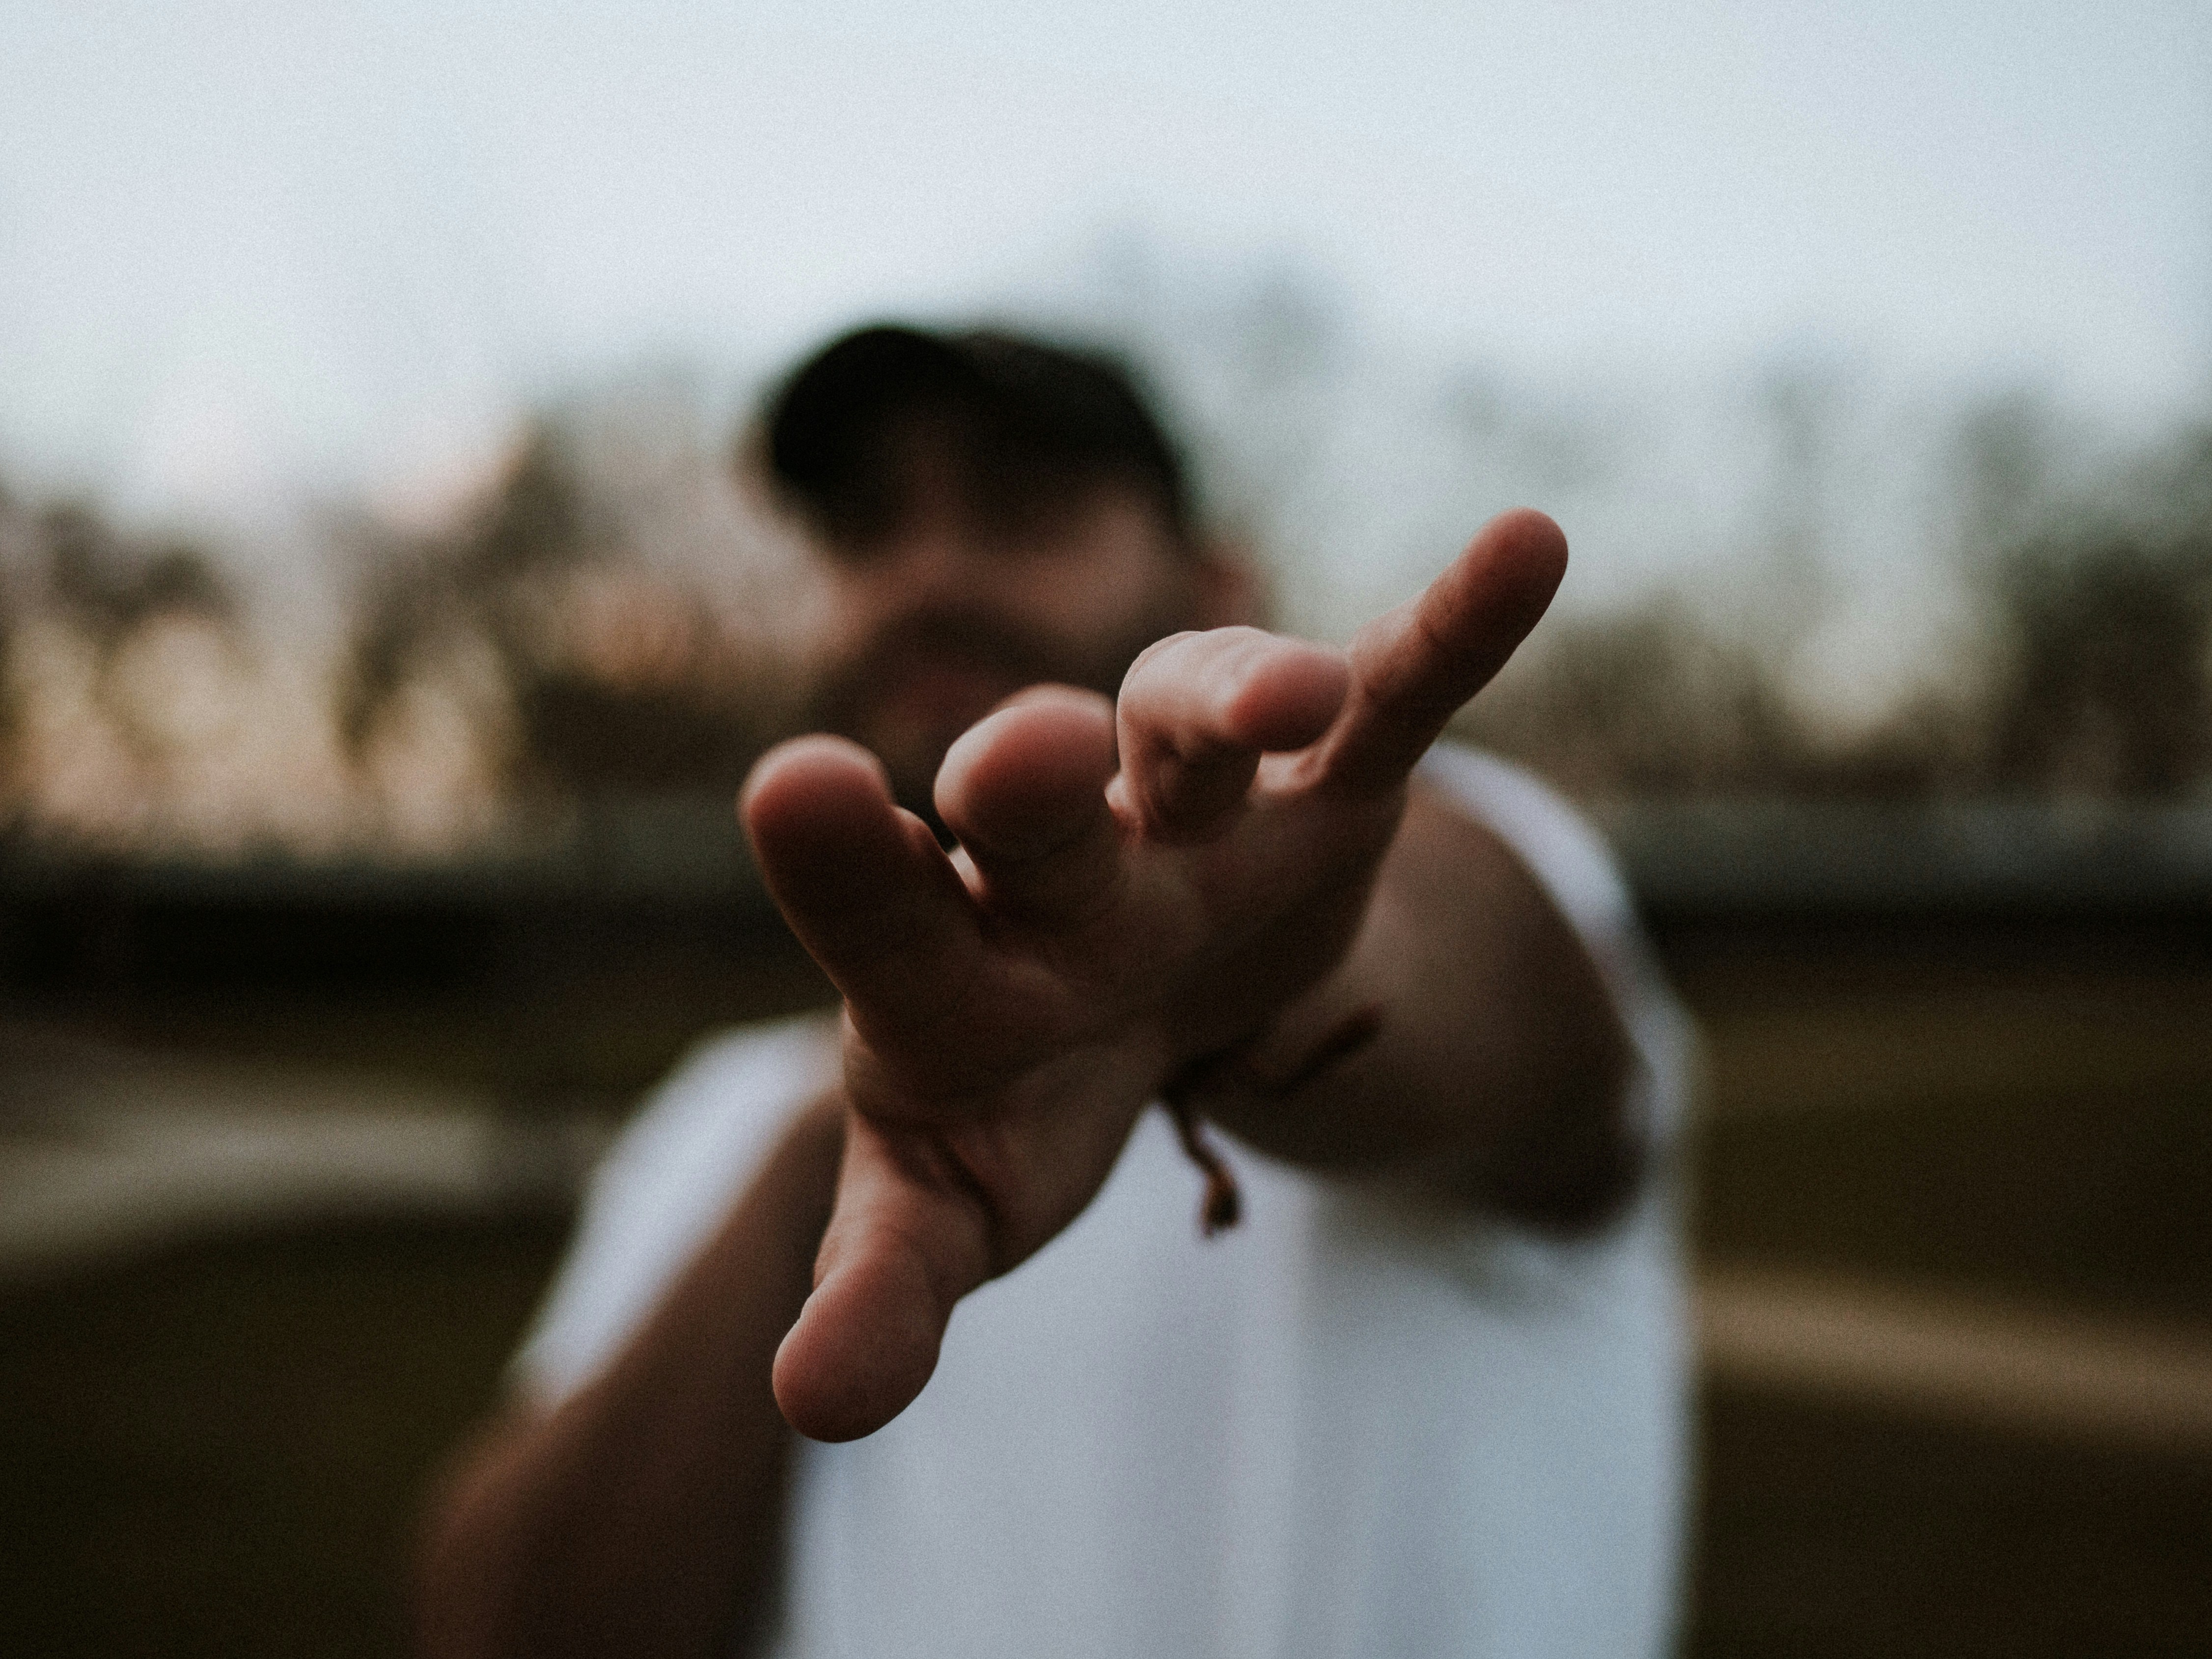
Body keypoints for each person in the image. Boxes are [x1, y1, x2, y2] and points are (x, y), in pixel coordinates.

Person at [417, 325, 1694, 1659]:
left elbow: (1469, 981)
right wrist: (817, 1156)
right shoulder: (726, 1114)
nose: (927, 573)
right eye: (866, 527)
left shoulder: (1458, 850)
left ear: (1217, 583)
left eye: (1021, 506)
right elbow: (499, 1632)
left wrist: (1245, 985)